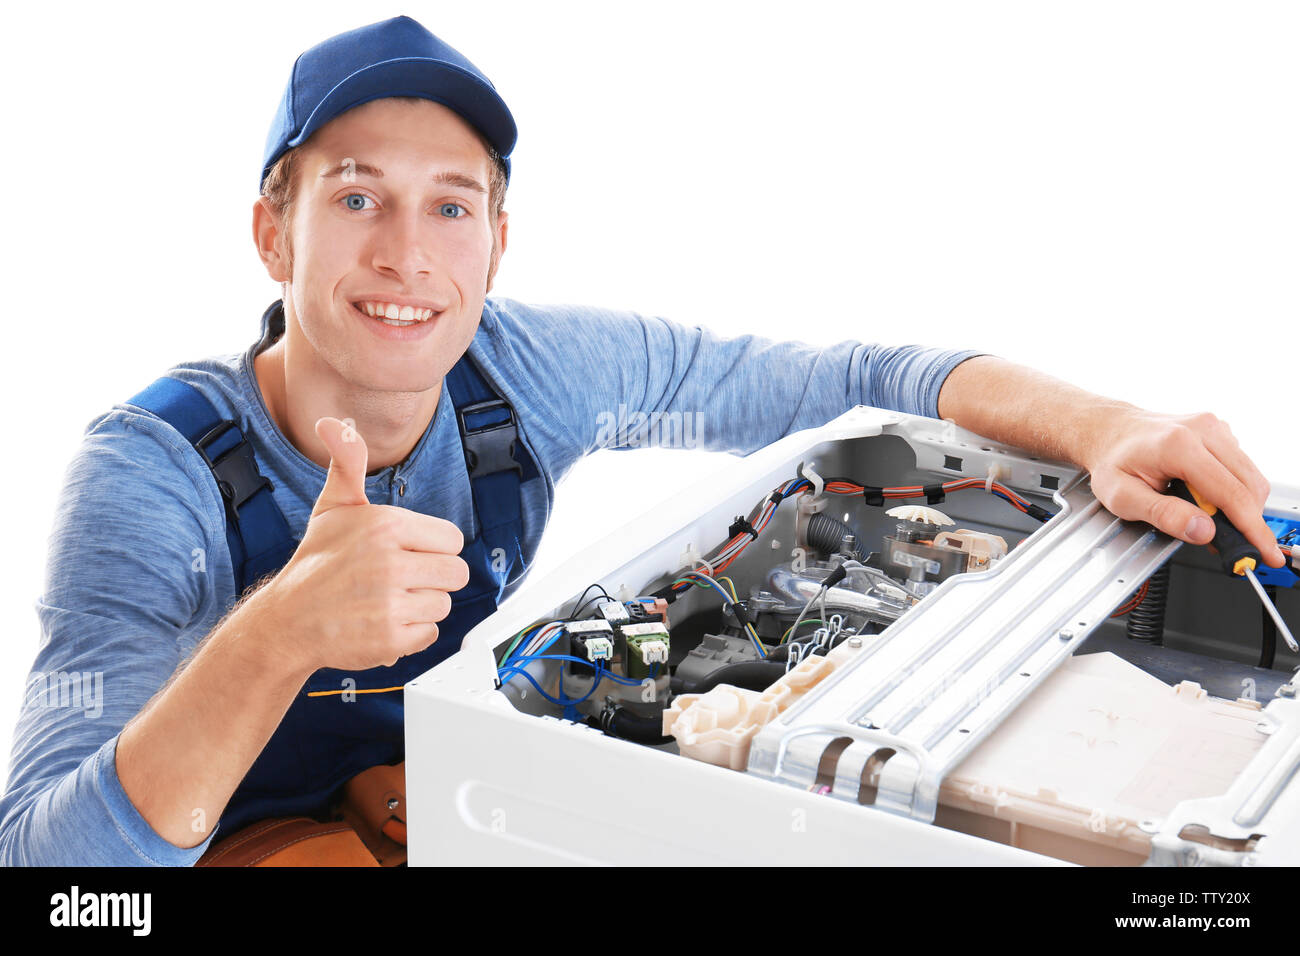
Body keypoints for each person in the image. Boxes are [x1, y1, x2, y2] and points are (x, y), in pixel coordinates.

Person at [0, 15, 1284, 866]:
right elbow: (52, 874)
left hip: (454, 799)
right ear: (272, 234)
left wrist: (1106, 423)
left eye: (451, 206)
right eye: (355, 197)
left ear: (497, 243)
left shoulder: (524, 374)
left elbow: (847, 377)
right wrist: (277, 632)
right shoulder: (149, 476)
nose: (406, 255)